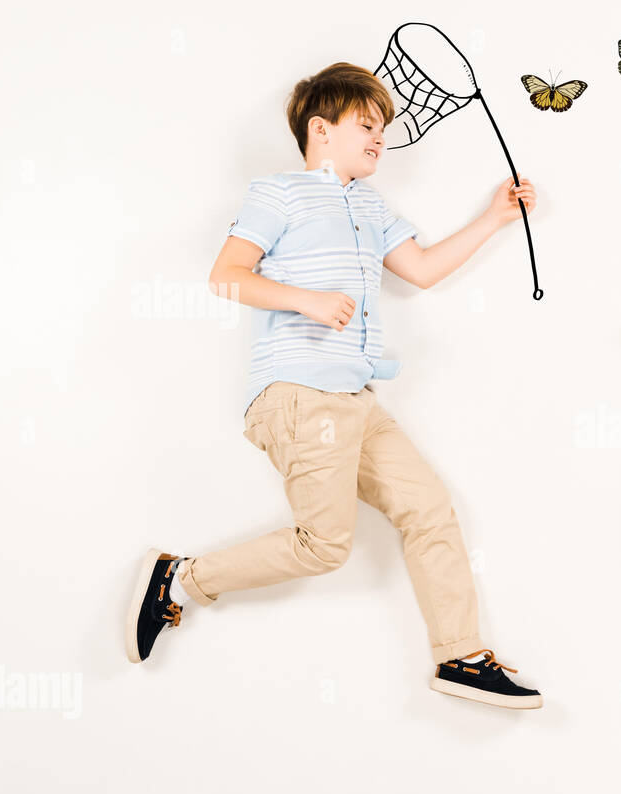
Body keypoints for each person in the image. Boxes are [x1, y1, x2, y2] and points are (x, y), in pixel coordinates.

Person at [126, 62, 542, 710]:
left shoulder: (371, 206)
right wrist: (307, 301)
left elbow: (424, 268)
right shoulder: (281, 192)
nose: (380, 138)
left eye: (383, 128)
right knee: (325, 545)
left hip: (356, 400)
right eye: (366, 125)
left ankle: (459, 654)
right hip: (299, 393)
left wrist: (494, 217)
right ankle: (179, 580)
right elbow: (226, 275)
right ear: (320, 129)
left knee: (429, 507)